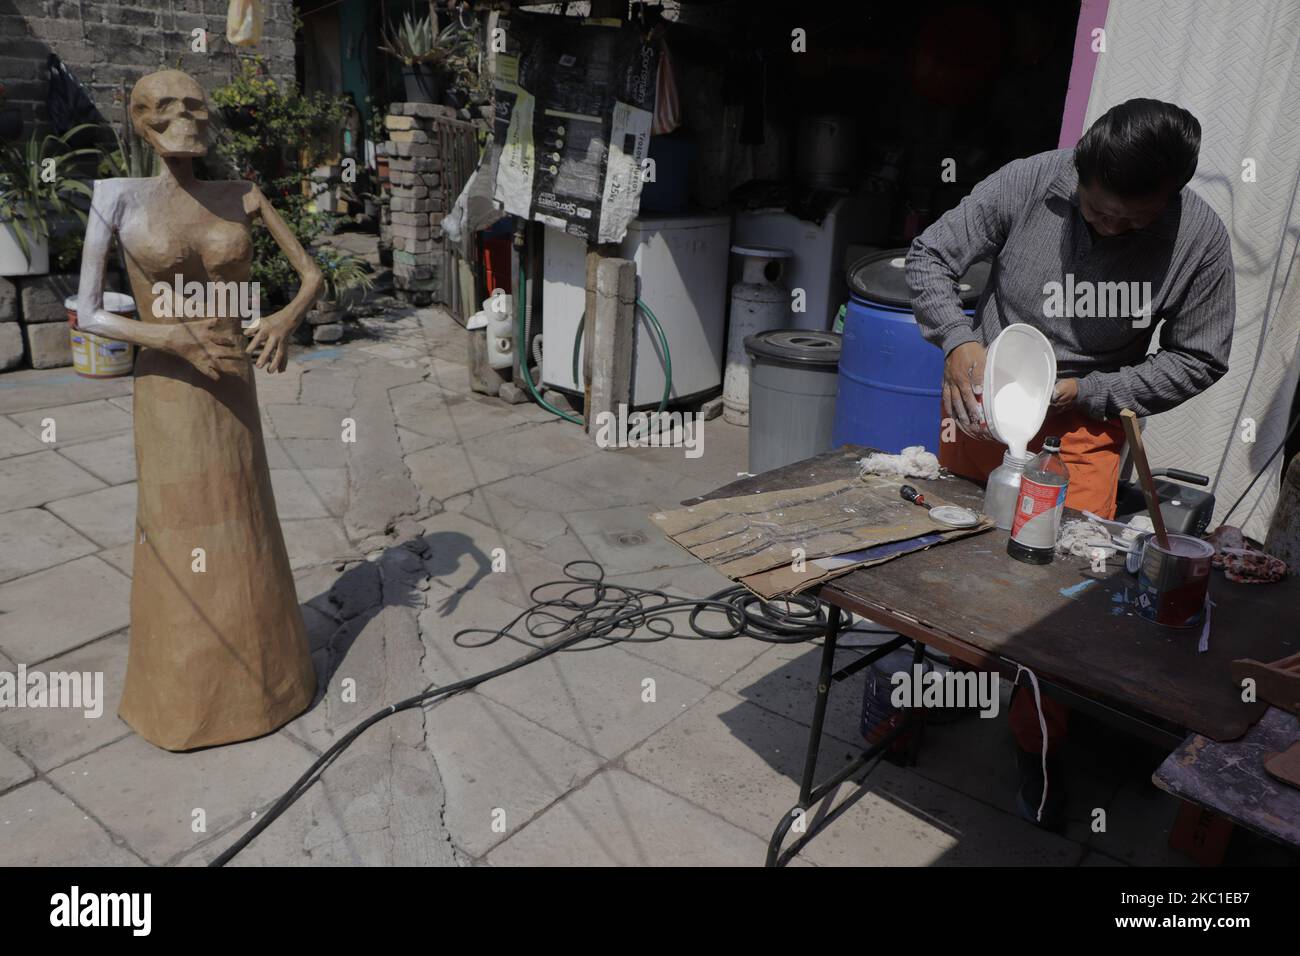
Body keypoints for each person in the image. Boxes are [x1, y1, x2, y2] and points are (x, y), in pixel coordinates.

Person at [905, 98, 1235, 828]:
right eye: (1098, 211)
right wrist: (958, 339)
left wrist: (1097, 390)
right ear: (1078, 173)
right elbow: (929, 256)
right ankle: (940, 693)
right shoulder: (1030, 180)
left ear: (1170, 199)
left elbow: (1203, 355)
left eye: (1132, 222)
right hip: (984, 399)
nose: (1110, 228)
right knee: (947, 567)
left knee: (1048, 602)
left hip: (1083, 426)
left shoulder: (1198, 240)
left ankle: (1038, 748)